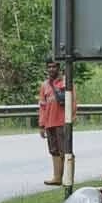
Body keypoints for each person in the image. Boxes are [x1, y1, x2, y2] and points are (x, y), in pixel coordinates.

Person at [38, 58, 76, 186]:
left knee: (66, 150)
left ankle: (69, 177)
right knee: (53, 150)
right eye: (49, 67)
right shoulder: (44, 85)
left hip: (62, 122)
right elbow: (42, 107)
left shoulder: (66, 82)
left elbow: (73, 101)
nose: (51, 69)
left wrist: (71, 118)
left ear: (59, 68)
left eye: (54, 67)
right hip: (49, 123)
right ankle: (57, 177)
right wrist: (41, 125)